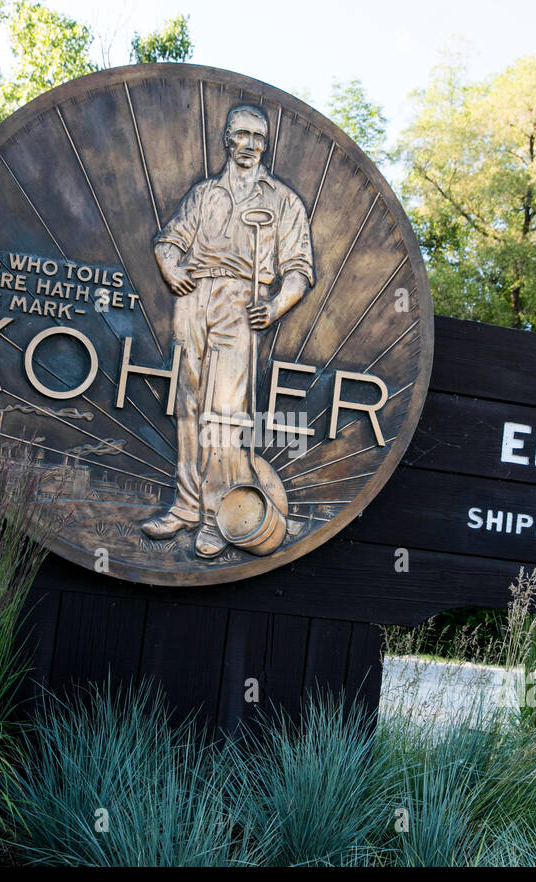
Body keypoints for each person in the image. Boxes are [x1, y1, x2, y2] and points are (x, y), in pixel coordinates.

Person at [141, 104, 315, 557]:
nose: (251, 145)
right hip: (193, 298)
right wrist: (171, 268)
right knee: (187, 405)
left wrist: (275, 307)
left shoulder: (282, 200)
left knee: (224, 413)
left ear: (266, 144)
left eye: (259, 137)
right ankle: (185, 505)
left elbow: (298, 270)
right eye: (242, 135)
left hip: (241, 301)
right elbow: (168, 241)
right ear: (227, 138)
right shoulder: (203, 194)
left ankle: (216, 517)